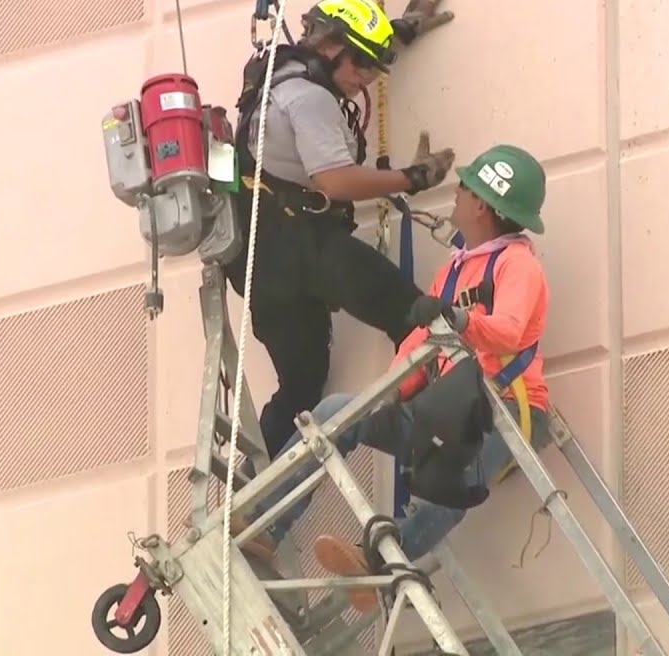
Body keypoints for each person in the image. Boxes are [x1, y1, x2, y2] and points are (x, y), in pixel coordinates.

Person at [235, 144, 555, 613]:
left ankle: (381, 563)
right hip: (448, 412)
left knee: (452, 481)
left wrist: (461, 322)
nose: (458, 194)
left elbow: (507, 333)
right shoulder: (455, 268)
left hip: (505, 411)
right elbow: (418, 345)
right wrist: (383, 397)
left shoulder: (517, 265)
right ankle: (266, 526)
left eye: (465, 188)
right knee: (335, 414)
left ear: (483, 204)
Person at [225, 0, 458, 458]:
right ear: (329, 46)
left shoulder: (281, 75)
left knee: (302, 385)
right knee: (415, 318)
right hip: (303, 245)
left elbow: (356, 46)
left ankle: (252, 492)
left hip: (264, 265)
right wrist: (413, 178)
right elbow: (336, 182)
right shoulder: (308, 98)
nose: (363, 82)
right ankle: (450, 440)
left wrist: (407, 24)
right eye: (362, 70)